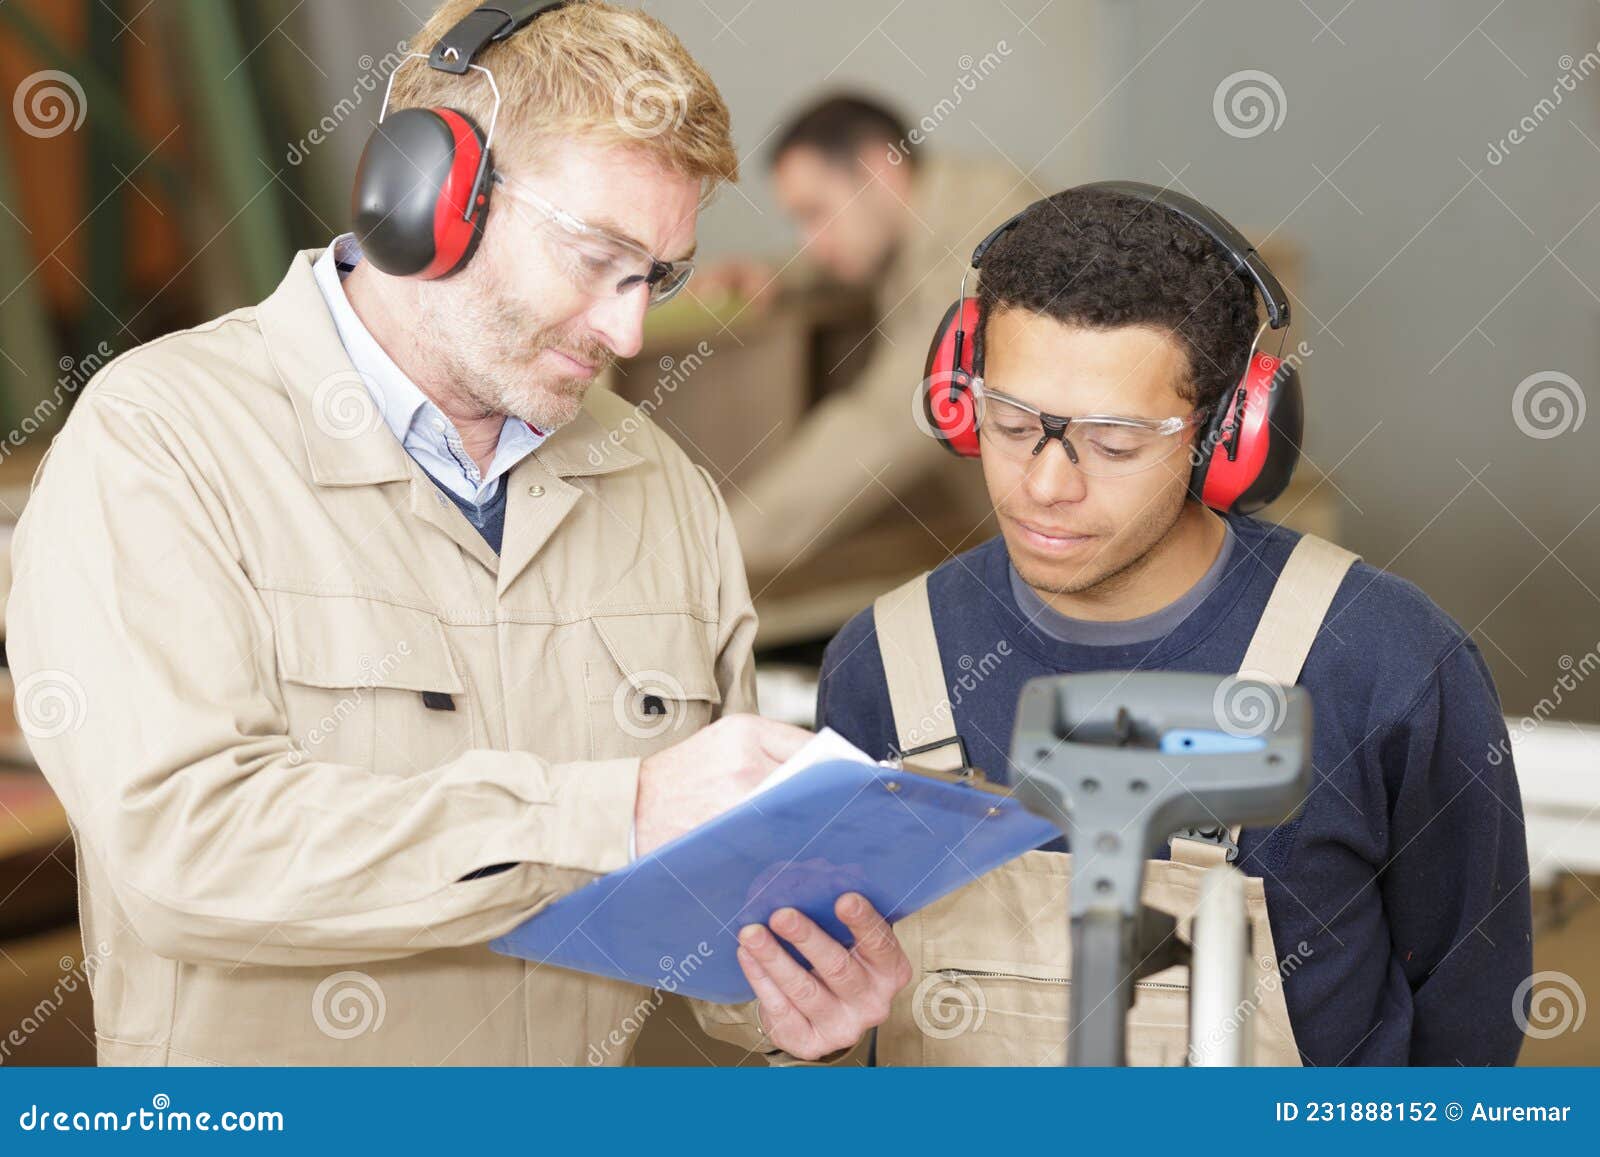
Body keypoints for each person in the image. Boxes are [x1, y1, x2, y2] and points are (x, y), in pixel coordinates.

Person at [5, 0, 909, 1067]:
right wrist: (608, 812)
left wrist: (792, 998)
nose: (627, 331)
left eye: (656, 275)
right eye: (598, 257)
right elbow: (183, 853)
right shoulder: (165, 443)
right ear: (426, 197)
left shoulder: (662, 488)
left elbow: (716, 895)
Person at [815, 184, 1532, 1066]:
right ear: (960, 401)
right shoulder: (885, 664)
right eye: (1010, 422)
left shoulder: (1387, 666)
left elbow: (1466, 1035)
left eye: (1114, 444)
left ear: (1229, 433)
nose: (1045, 484)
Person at [703, 95, 1044, 578]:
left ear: (880, 170)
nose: (810, 242)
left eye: (815, 212)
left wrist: (710, 548)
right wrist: (776, 276)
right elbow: (854, 255)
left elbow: (884, 421)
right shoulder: (935, 209)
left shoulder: (985, 238)